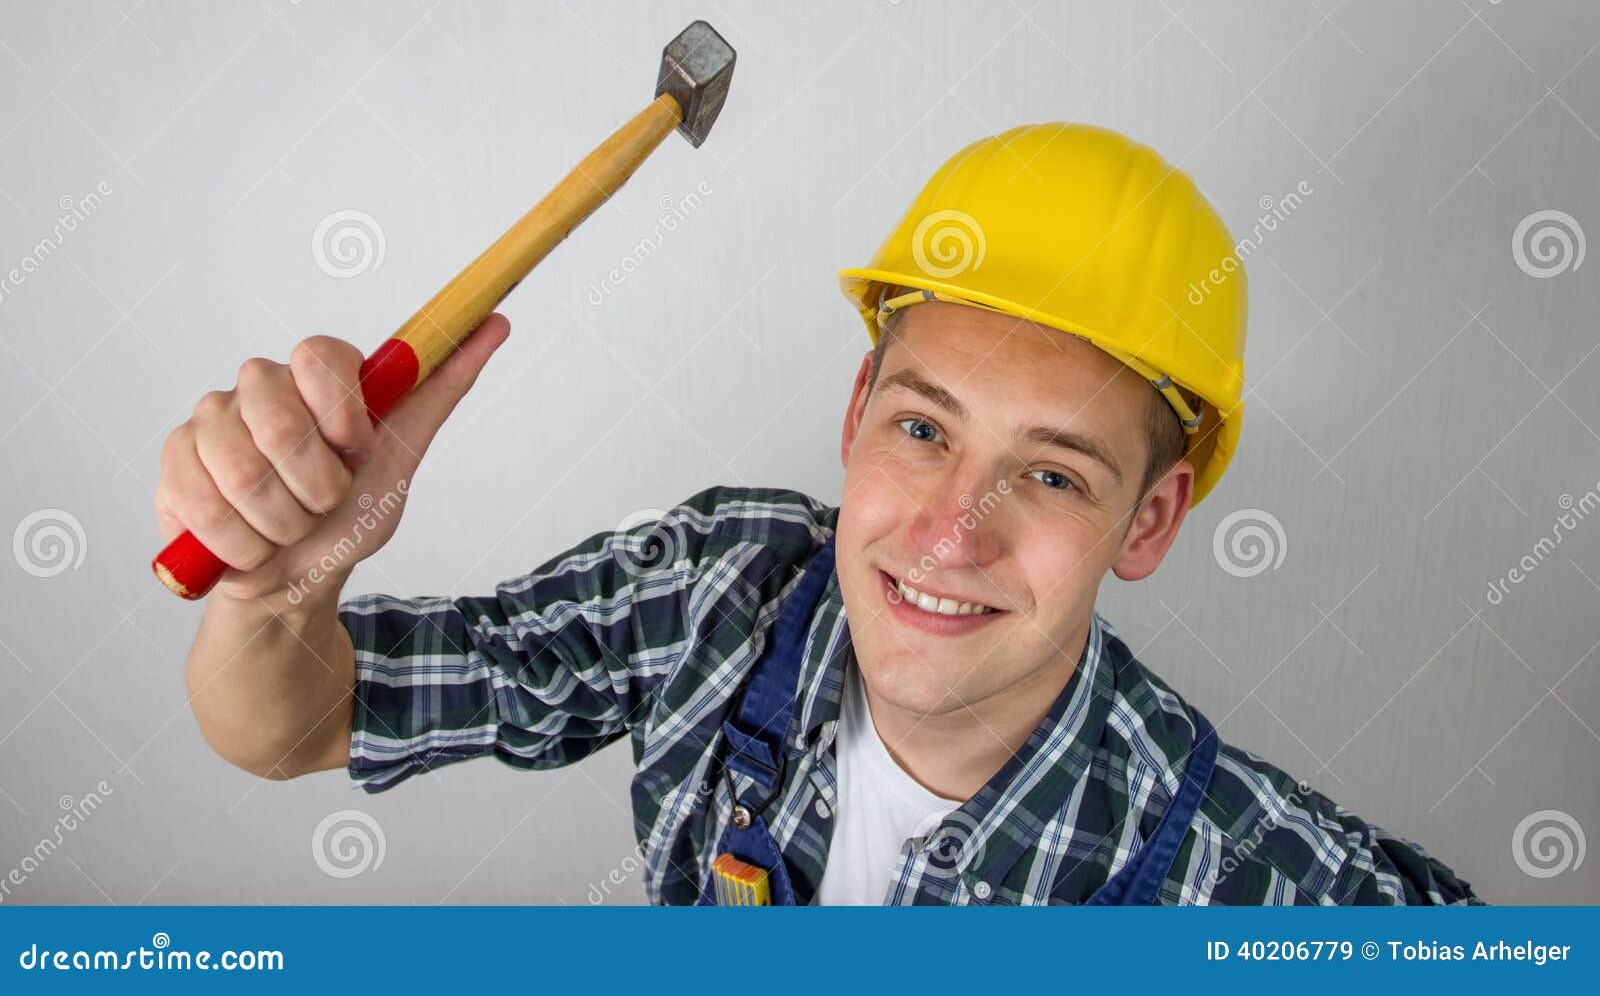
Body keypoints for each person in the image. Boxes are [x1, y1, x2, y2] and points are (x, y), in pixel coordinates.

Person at [164, 124, 1481, 905]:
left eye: (1056, 472)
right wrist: (286, 572)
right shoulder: (719, 595)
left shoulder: (1233, 871)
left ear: (1149, 520)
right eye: (924, 427)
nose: (951, 530)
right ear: (857, 411)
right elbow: (294, 728)